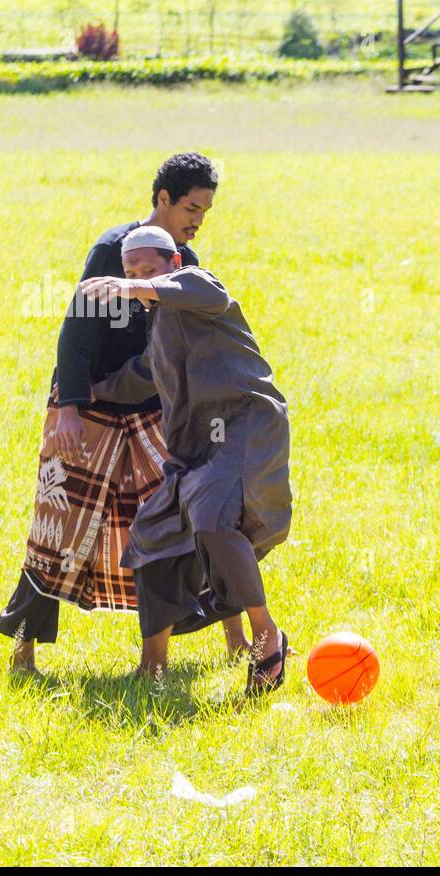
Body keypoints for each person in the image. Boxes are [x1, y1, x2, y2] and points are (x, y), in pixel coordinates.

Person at [0, 153, 251, 675]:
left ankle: (235, 639)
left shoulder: (186, 263)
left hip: (153, 407)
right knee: (58, 527)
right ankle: (22, 652)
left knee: (188, 517)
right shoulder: (111, 250)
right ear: (163, 200)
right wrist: (69, 410)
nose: (198, 219)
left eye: (205, 210)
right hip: (86, 403)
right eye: (191, 207)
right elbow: (76, 333)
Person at [85, 227, 292, 695]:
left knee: (213, 519)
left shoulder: (199, 287)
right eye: (130, 272)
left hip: (243, 426)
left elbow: (195, 287)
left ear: (173, 264)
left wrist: (135, 288)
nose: (137, 280)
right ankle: (152, 665)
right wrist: (86, 391)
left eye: (148, 270)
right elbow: (141, 376)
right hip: (192, 451)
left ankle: (266, 638)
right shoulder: (158, 330)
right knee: (152, 535)